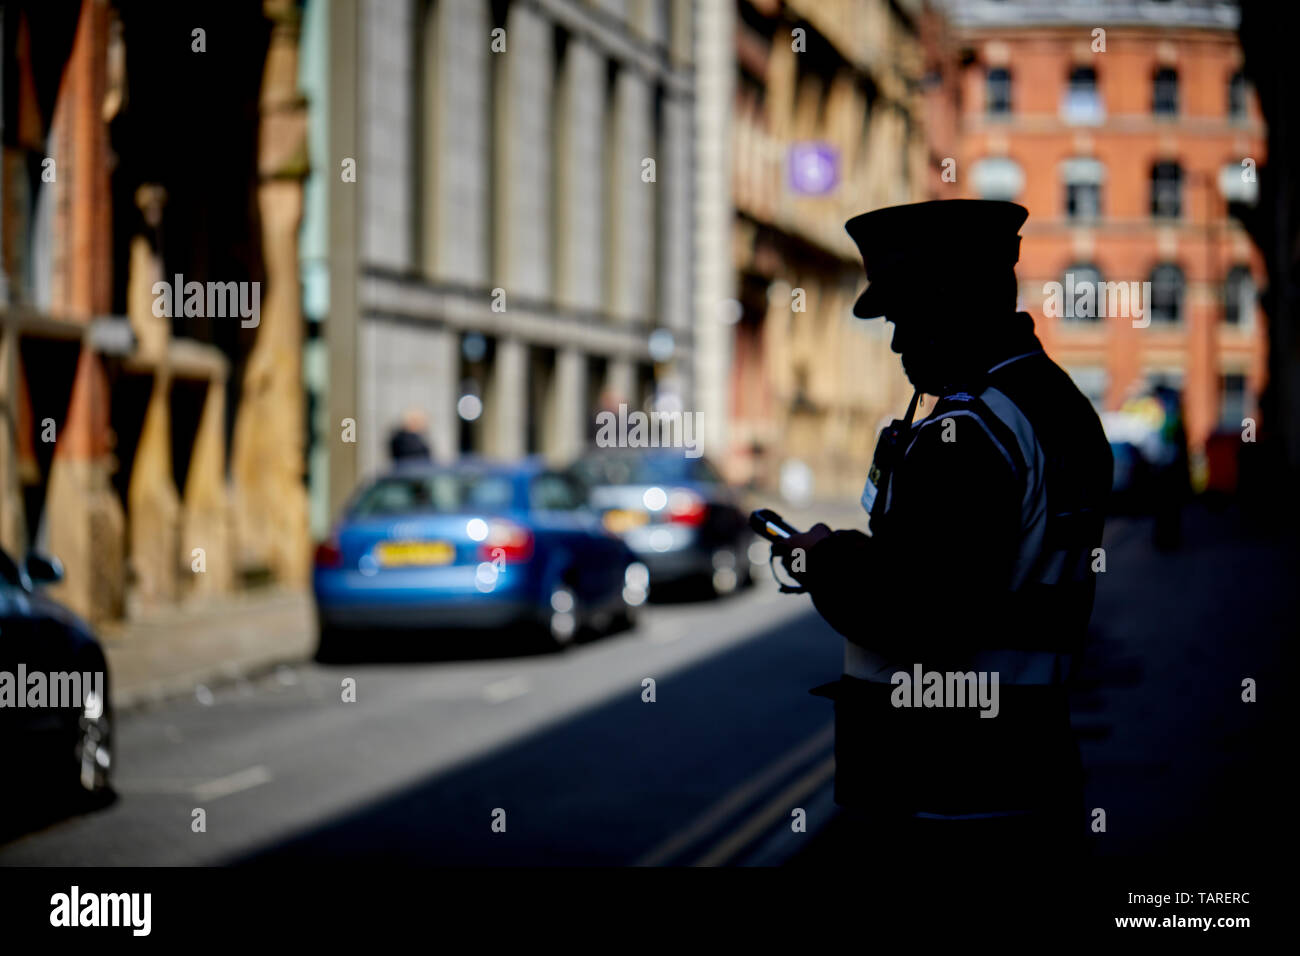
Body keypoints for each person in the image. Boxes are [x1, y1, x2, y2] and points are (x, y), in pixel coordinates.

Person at [772, 200, 1113, 857]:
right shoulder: (1062, 407)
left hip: (947, 795)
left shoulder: (966, 435)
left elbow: (921, 619)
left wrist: (824, 558)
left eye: (903, 316)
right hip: (1030, 776)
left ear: (948, 299)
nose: (898, 342)